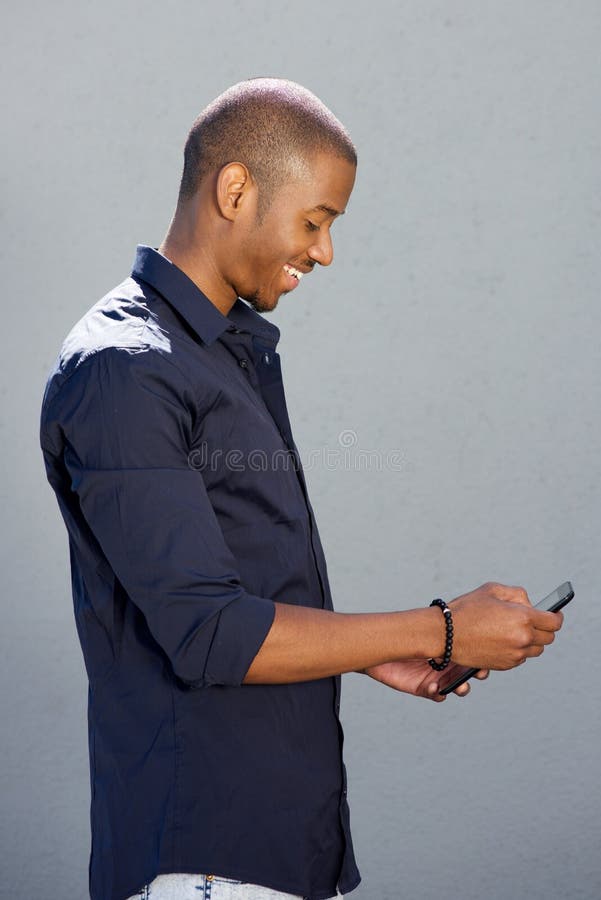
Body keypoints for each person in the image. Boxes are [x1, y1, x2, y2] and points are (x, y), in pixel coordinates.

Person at [39, 78, 563, 900]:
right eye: (315, 221)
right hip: (205, 859)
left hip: (280, 850)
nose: (324, 252)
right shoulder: (124, 372)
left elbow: (239, 599)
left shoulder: (220, 356)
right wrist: (440, 626)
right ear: (235, 191)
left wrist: (385, 650)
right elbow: (209, 632)